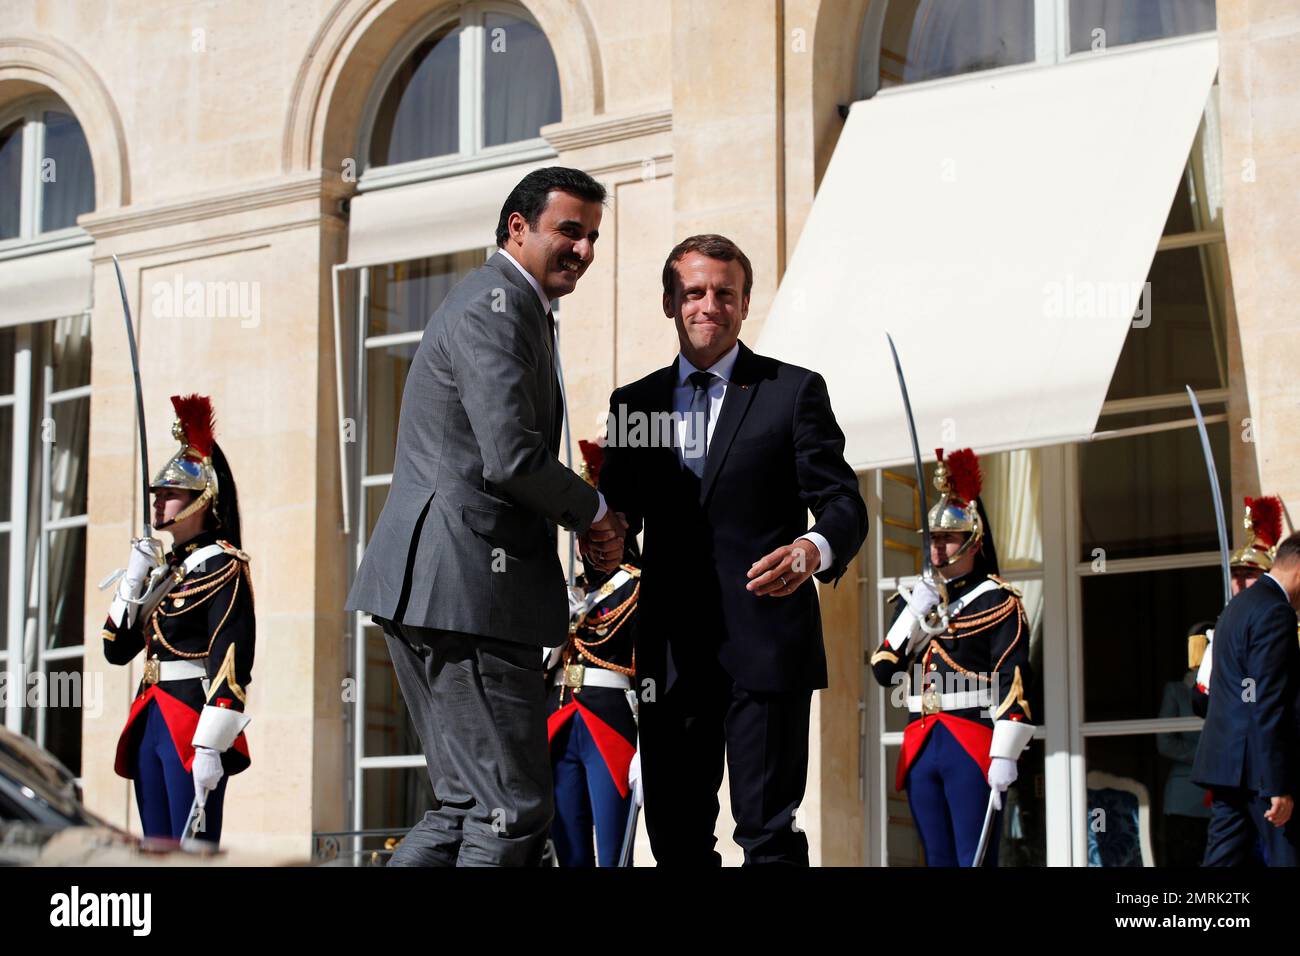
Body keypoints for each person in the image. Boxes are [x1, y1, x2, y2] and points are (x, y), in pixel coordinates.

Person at [346, 167, 627, 867]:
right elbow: (510, 456)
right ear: (518, 228)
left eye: (592, 236)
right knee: (513, 807)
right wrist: (594, 509)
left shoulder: (506, 304)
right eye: (570, 230)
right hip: (468, 592)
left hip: (440, 586)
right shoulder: (495, 305)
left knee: (466, 805)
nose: (584, 249)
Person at [597, 234, 868, 866]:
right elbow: (616, 520)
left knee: (768, 835)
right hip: (670, 656)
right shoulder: (633, 405)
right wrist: (600, 542)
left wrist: (811, 549)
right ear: (671, 302)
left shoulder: (792, 391)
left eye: (725, 293)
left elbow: (844, 505)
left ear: (745, 305)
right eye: (694, 292)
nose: (709, 305)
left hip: (767, 646)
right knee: (675, 837)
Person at [869, 448, 1034, 867]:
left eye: (947, 539)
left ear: (973, 541)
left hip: (970, 739)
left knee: (973, 859)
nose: (937, 549)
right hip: (922, 740)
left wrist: (1005, 752)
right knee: (936, 859)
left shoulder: (997, 600)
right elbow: (884, 668)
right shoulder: (917, 601)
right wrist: (913, 615)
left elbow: (1013, 679)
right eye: (933, 539)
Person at [102, 395, 253, 846]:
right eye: (157, 493)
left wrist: (211, 743)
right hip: (149, 713)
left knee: (193, 852)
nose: (158, 501)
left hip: (190, 718)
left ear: (202, 499)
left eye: (170, 493)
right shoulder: (165, 570)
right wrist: (133, 579)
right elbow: (115, 648)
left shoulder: (222, 565)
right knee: (157, 848)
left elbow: (231, 657)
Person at [546, 439, 641, 866]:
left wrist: (650, 749)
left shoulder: (640, 586)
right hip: (559, 718)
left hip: (610, 722)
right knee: (568, 851)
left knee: (613, 855)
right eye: (586, 532)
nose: (592, 542)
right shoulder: (568, 592)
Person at [1193, 531, 1300, 866]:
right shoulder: (1275, 611)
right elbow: (1268, 703)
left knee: (1223, 861)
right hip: (1257, 770)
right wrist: (1276, 784)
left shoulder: (1239, 606)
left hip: (1227, 767)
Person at [1192, 495, 1284, 716]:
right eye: (1236, 574)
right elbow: (1200, 703)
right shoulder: (1224, 625)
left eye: (1250, 574)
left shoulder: (1286, 621)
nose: (1241, 581)